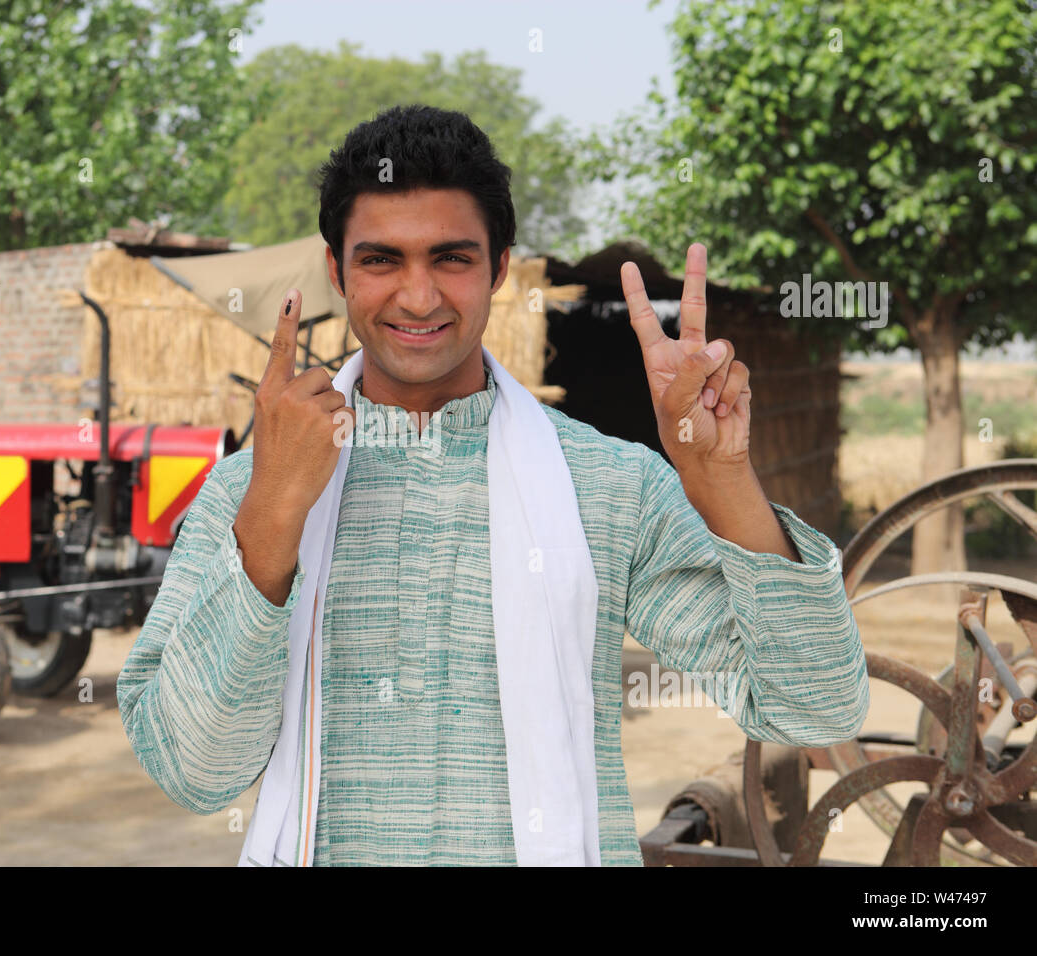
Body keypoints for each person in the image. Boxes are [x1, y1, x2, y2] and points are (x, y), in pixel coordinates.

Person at [117, 103, 869, 866]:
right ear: (335, 270)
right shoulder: (248, 491)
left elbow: (814, 707)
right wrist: (275, 516)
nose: (418, 297)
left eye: (452, 258)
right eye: (381, 260)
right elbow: (193, 772)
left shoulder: (607, 487)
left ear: (500, 269)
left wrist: (725, 481)